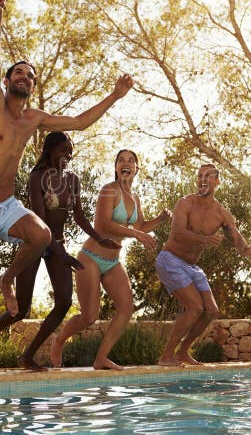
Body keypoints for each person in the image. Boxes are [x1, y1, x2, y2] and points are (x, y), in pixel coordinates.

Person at [0, 0, 133, 388]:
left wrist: (114, 96)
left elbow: (79, 122)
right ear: (8, 80)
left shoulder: (34, 119)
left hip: (6, 205)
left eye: (31, 75)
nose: (25, 77)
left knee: (42, 234)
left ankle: (8, 279)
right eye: (20, 72)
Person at [0, 132, 120, 371]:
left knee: (64, 302)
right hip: (35, 242)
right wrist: (62, 255)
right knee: (21, 309)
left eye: (70, 151)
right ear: (49, 151)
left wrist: (100, 239)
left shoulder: (73, 180)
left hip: (58, 244)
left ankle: (28, 356)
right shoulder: (37, 177)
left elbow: (80, 217)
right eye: (63, 150)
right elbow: (40, 221)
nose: (68, 155)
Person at [50, 149, 171, 370]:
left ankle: (101, 358)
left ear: (136, 169)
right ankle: (59, 340)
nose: (126, 163)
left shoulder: (134, 198)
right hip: (91, 258)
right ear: (116, 167)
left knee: (126, 308)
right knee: (89, 317)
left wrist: (160, 219)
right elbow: (102, 225)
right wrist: (136, 234)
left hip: (112, 262)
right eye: (121, 160)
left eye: (131, 161)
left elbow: (141, 226)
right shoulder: (108, 191)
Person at [155, 163, 251, 366]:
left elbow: (236, 236)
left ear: (217, 181)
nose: (202, 179)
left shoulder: (222, 213)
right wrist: (205, 240)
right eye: (199, 175)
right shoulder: (185, 203)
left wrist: (245, 248)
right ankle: (166, 356)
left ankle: (182, 352)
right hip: (170, 259)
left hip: (192, 267)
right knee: (194, 308)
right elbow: (177, 233)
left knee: (211, 311)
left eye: (208, 175)